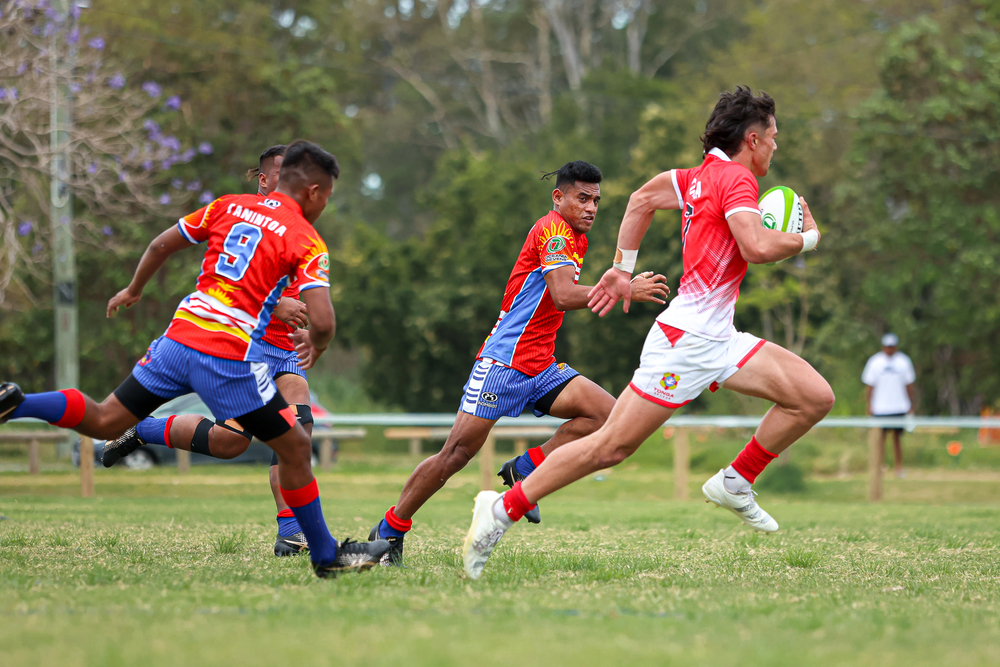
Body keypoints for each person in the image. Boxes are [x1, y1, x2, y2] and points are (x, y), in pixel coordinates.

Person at [462, 86, 836, 579]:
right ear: (752, 138)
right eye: (774, 137)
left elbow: (641, 199)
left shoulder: (697, 176)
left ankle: (736, 480)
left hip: (719, 337)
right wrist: (807, 239)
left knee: (813, 396)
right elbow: (756, 246)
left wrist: (621, 267)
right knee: (610, 446)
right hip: (686, 343)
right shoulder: (738, 179)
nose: (775, 146)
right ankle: (500, 511)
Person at [0, 140, 389, 576]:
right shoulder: (306, 239)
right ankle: (325, 555)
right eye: (328, 197)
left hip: (178, 337)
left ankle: (19, 402)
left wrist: (133, 289)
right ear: (315, 192)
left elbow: (162, 245)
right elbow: (323, 320)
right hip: (227, 356)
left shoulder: (226, 206)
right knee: (295, 445)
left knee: (105, 418)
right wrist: (318, 342)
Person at [366, 161, 670, 566]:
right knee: (455, 455)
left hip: (540, 365)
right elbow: (562, 294)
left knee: (606, 417)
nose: (592, 207)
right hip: (504, 364)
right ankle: (388, 531)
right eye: (582, 198)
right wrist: (622, 287)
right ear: (557, 198)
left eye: (596, 200)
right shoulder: (554, 232)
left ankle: (524, 469)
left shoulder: (575, 237)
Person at [101, 145, 318, 557]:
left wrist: (310, 330)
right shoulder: (240, 215)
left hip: (282, 352)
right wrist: (275, 305)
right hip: (239, 350)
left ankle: (291, 531)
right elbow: (218, 290)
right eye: (283, 173)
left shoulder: (300, 226)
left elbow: (310, 292)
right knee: (229, 443)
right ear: (264, 179)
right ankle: (142, 429)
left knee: (299, 424)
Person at [862, 333, 916, 478]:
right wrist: (869, 404)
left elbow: (909, 384)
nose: (889, 349)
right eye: (887, 346)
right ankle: (879, 467)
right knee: (879, 439)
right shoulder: (874, 362)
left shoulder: (904, 362)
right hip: (880, 408)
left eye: (891, 346)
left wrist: (910, 404)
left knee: (897, 439)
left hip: (899, 406)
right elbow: (870, 385)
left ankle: (898, 467)